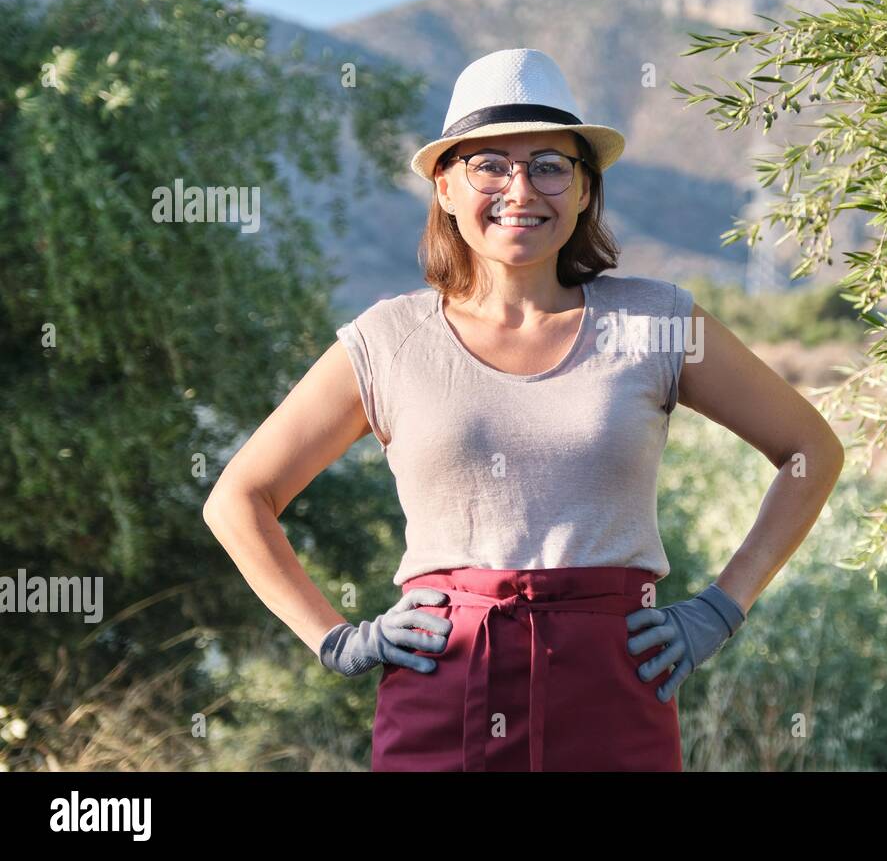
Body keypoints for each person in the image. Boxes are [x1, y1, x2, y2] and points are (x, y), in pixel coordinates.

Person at [202, 48, 845, 771]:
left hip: (615, 688)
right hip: (441, 687)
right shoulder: (387, 340)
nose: (521, 188)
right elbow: (239, 499)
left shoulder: (657, 322)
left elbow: (809, 451)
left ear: (582, 190)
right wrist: (338, 639)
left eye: (549, 163)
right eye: (489, 165)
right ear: (444, 187)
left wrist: (720, 609)